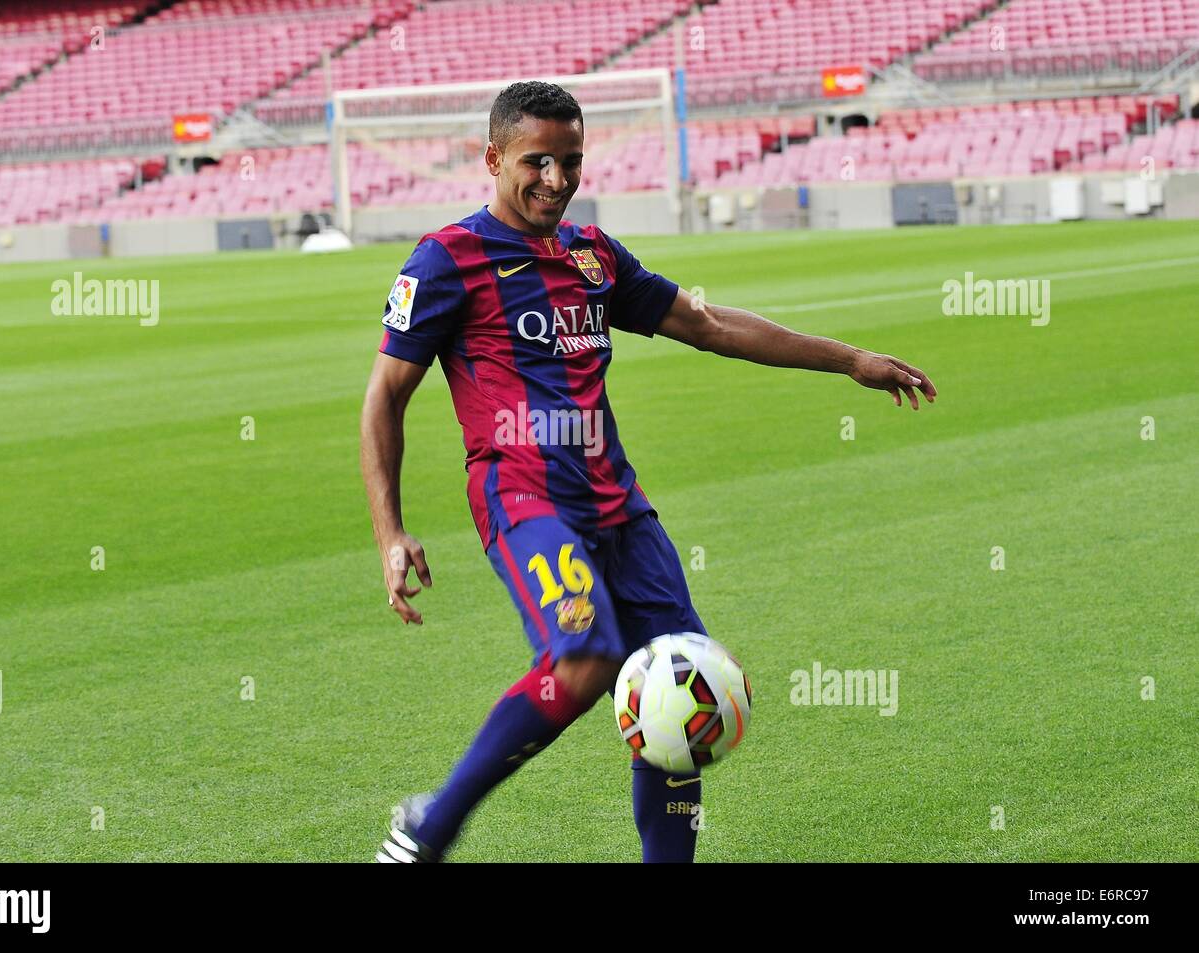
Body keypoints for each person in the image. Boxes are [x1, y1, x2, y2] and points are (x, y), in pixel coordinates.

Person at [361, 81, 937, 863]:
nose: (556, 181)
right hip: (522, 496)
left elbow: (705, 324)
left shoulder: (593, 255)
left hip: (620, 509)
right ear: (493, 158)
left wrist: (851, 361)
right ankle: (431, 825)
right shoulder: (446, 260)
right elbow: (385, 398)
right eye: (537, 162)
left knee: (682, 696)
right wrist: (389, 531)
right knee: (587, 657)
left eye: (571, 162)